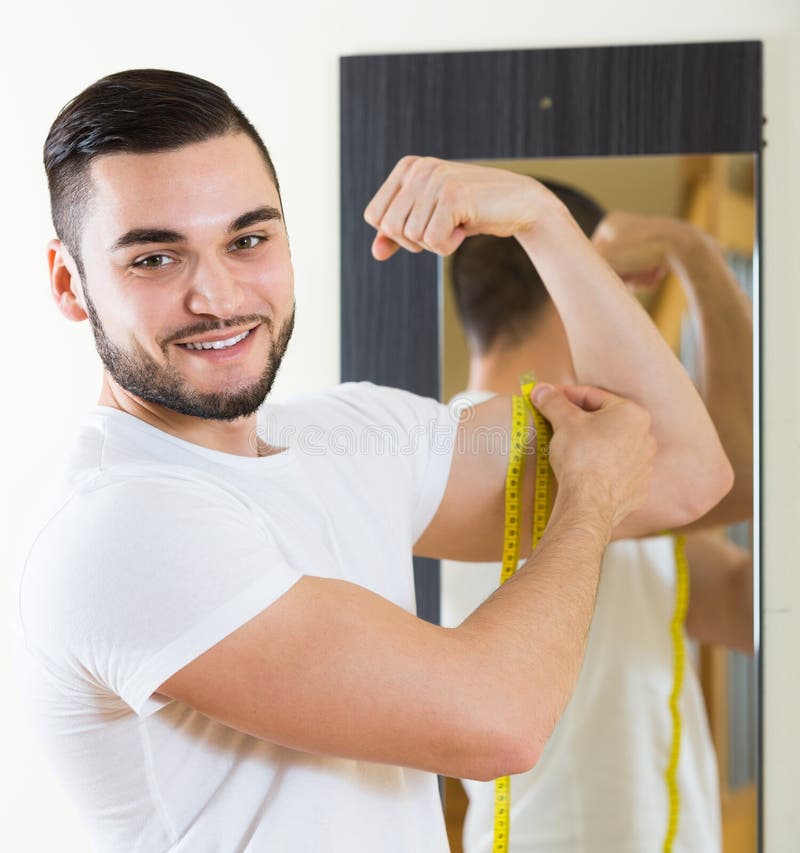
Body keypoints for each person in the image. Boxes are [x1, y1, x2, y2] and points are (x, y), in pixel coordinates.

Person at [10, 69, 732, 853]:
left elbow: (683, 468)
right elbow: (497, 721)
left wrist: (541, 219)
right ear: (67, 281)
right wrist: (588, 503)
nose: (217, 296)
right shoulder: (121, 524)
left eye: (248, 239)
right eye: (154, 259)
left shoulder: (352, 436)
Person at [443, 192, 754, 852]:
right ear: (579, 283)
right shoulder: (489, 446)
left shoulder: (594, 461)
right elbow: (738, 470)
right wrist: (695, 253)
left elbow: (738, 607)